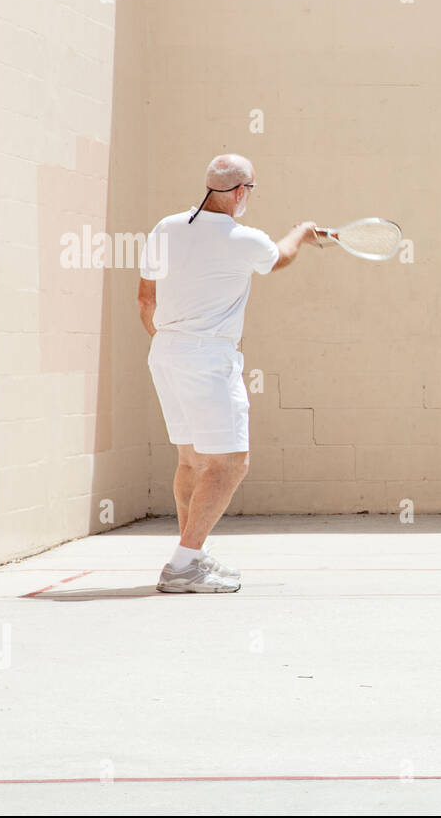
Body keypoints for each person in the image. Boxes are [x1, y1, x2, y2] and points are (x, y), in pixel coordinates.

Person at [136, 153, 321, 592]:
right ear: (240, 192)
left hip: (165, 351)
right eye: (250, 191)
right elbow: (281, 257)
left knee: (191, 460)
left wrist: (173, 346)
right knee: (232, 462)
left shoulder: (166, 228)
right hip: (208, 359)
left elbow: (145, 300)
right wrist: (303, 232)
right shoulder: (247, 239)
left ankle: (192, 556)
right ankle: (182, 566)